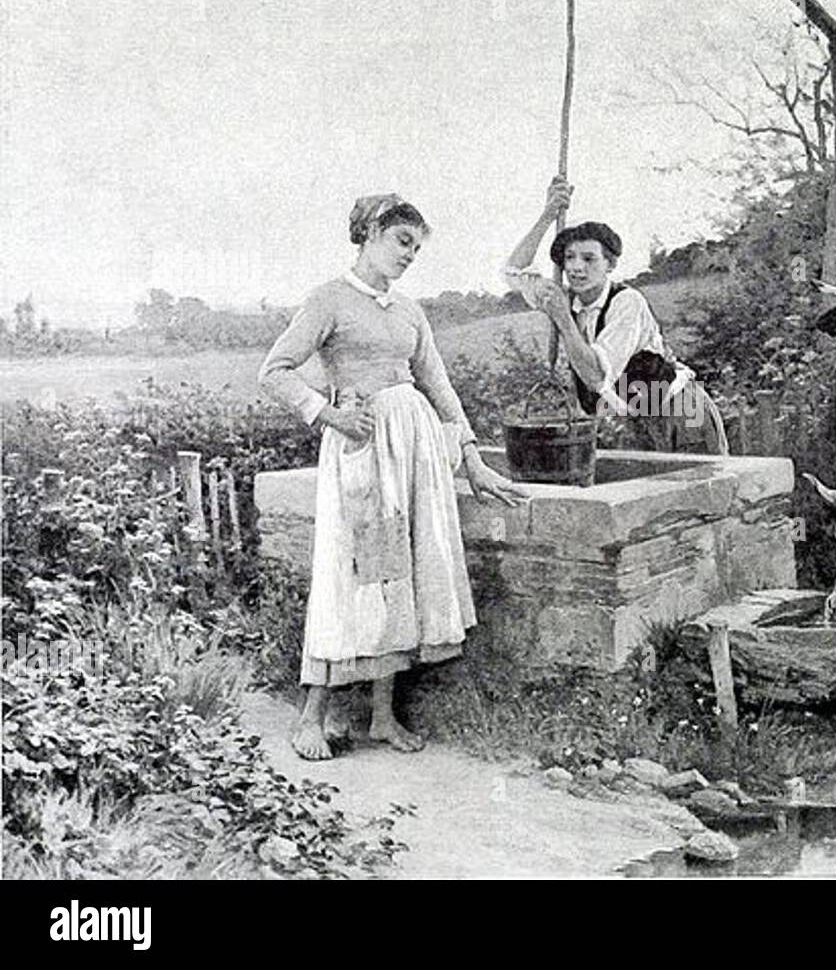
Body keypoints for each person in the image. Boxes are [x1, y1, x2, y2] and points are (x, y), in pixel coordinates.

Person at [259, 192, 528, 761]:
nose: (409, 254)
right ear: (369, 233)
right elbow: (275, 371)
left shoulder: (408, 310)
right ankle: (311, 717)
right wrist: (329, 413)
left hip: (417, 447)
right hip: (362, 449)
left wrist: (472, 458)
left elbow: (438, 383)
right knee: (351, 574)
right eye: (401, 241)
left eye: (416, 246)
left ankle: (382, 716)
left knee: (400, 574)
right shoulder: (328, 300)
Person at [501, 177, 728, 454]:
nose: (575, 268)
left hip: (684, 414)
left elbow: (596, 375)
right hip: (637, 418)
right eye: (569, 257)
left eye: (588, 259)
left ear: (610, 264)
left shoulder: (626, 303)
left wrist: (562, 318)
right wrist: (548, 214)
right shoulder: (565, 299)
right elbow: (513, 271)